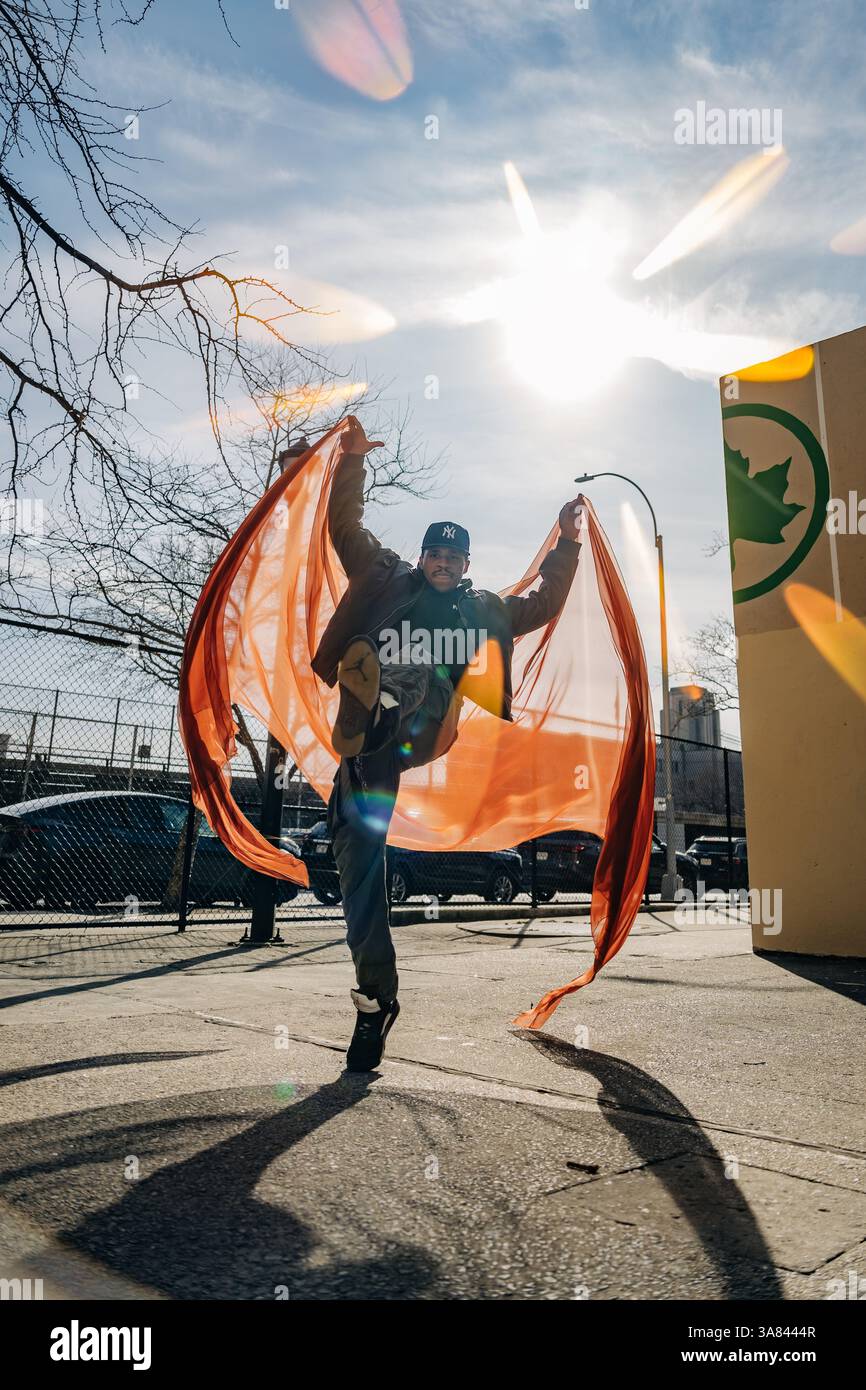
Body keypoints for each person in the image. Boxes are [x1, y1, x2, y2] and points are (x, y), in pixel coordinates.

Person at [311, 417, 584, 1071]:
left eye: (453, 557)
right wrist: (352, 461)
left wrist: (566, 544)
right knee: (356, 867)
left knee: (360, 840)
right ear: (424, 555)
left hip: (412, 736)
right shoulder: (384, 575)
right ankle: (376, 1000)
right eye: (434, 553)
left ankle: (379, 711)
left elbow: (543, 604)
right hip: (371, 743)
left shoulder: (484, 609)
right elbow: (344, 528)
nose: (441, 562)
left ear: (465, 565)